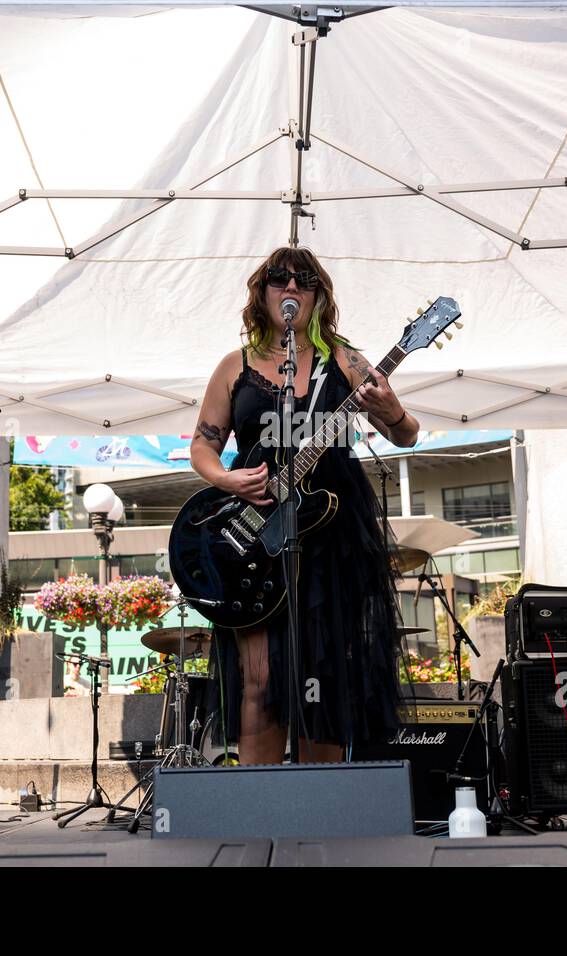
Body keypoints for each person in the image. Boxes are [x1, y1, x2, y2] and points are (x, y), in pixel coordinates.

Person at [188, 246, 415, 764]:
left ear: (319, 295)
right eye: (279, 279)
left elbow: (405, 435)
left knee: (325, 670)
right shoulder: (235, 366)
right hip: (253, 535)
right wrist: (228, 479)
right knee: (259, 678)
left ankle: (322, 810)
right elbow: (202, 446)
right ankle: (259, 805)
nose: (291, 288)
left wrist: (392, 408)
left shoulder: (344, 359)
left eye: (304, 281)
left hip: (331, 536)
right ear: (261, 292)